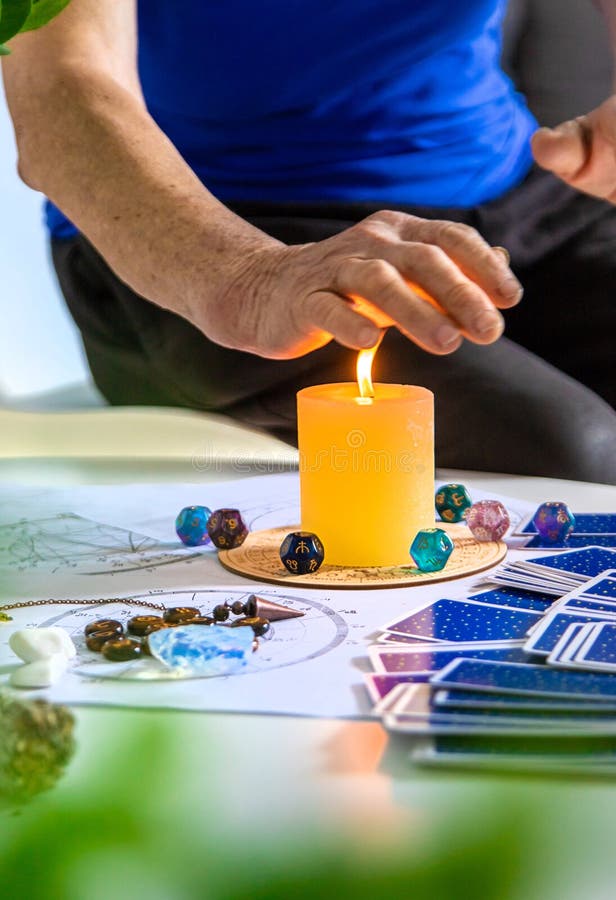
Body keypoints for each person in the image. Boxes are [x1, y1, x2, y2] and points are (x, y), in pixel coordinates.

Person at [3, 0, 616, 482]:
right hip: (209, 236)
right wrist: (248, 280)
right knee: (567, 458)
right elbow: (62, 83)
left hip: (514, 187)